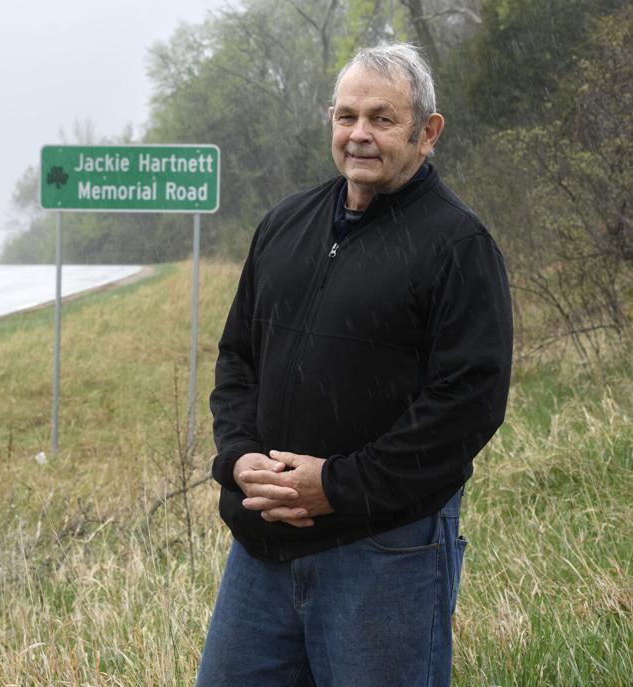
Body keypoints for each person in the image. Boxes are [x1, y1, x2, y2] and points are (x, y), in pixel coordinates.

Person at [196, 43, 513, 687]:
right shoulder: (285, 224)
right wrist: (238, 458)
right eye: (346, 116)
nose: (359, 134)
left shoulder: (458, 246)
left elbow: (467, 405)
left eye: (381, 118)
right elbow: (238, 359)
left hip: (384, 552)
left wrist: (338, 485)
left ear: (429, 132)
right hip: (261, 548)